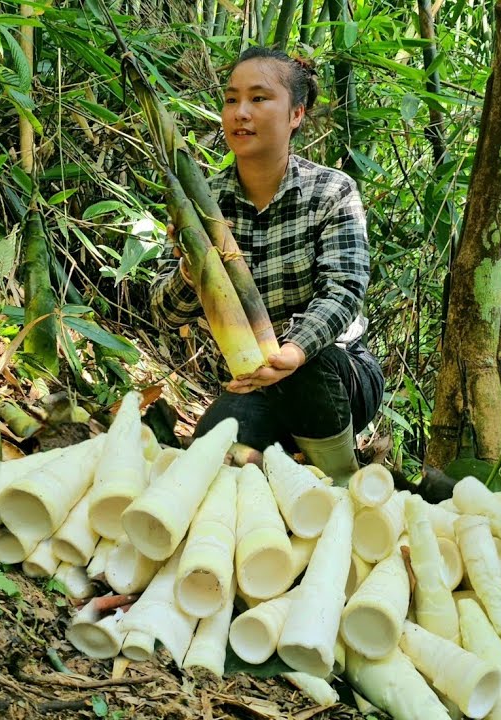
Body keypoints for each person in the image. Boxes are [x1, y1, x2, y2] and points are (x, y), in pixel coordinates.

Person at [149, 46, 383, 485]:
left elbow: (345, 290)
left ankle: (343, 482)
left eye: (258, 99)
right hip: (253, 383)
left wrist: (291, 352)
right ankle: (286, 474)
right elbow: (165, 312)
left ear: (296, 114)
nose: (240, 112)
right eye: (231, 99)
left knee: (310, 370)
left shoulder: (331, 191)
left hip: (335, 374)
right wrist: (192, 268)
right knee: (213, 455)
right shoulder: (203, 204)